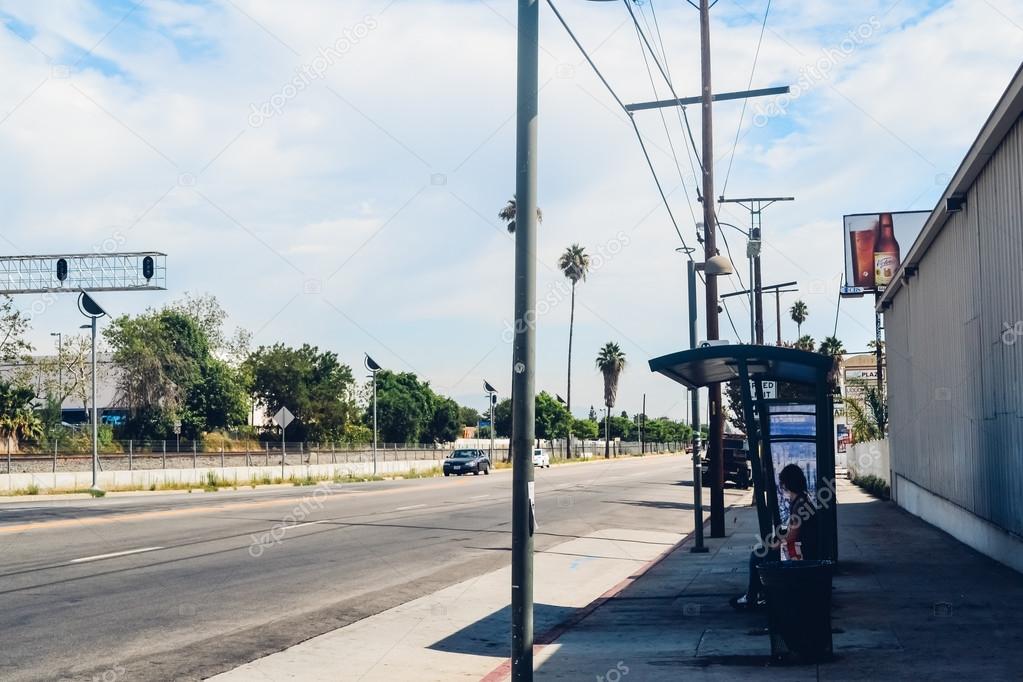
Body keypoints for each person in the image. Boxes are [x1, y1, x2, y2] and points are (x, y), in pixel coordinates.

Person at [729, 464, 819, 610]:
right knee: (762, 553)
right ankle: (758, 594)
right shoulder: (801, 500)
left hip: (800, 552)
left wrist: (775, 545)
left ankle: (753, 597)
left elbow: (793, 535)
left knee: (758, 555)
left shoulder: (799, 505)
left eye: (782, 483)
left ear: (787, 484)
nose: (782, 487)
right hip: (803, 548)